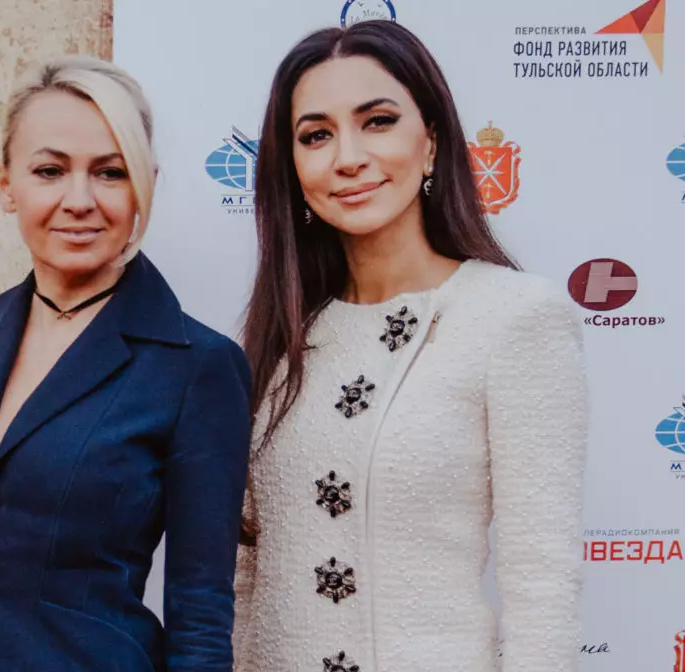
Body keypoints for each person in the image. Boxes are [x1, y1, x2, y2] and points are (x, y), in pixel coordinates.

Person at [0, 54, 252, 672]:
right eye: (49, 170)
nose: (80, 199)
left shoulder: (198, 366)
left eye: (110, 173)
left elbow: (199, 613)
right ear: (6, 183)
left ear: (145, 185)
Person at [232, 20, 588, 672]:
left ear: (431, 143)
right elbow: (244, 576)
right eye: (316, 135)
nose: (347, 156)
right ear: (293, 168)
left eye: (377, 121)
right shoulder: (271, 339)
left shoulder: (513, 317)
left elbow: (542, 585)